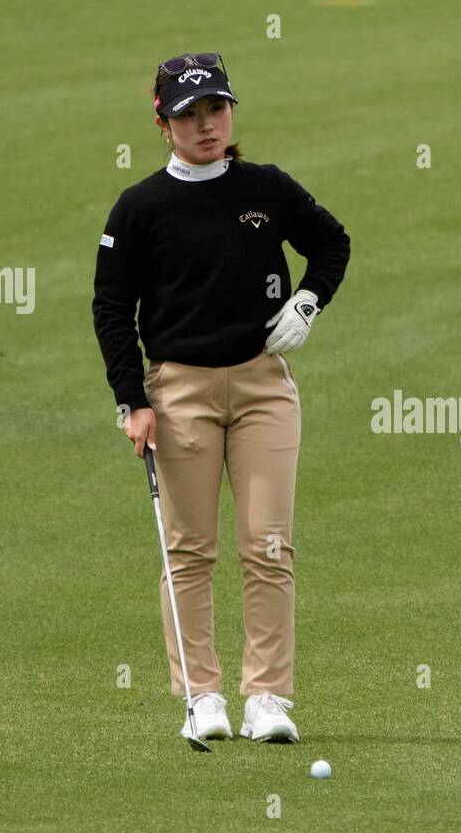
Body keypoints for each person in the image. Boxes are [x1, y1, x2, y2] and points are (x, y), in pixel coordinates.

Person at [91, 52, 351, 744]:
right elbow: (112, 307)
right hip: (178, 391)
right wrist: (132, 399)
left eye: (216, 110)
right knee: (189, 552)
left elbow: (331, 243)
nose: (206, 125)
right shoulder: (140, 207)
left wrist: (308, 300)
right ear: (162, 121)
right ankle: (202, 695)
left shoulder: (265, 187)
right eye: (188, 113)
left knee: (268, 545)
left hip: (264, 383)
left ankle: (267, 697)